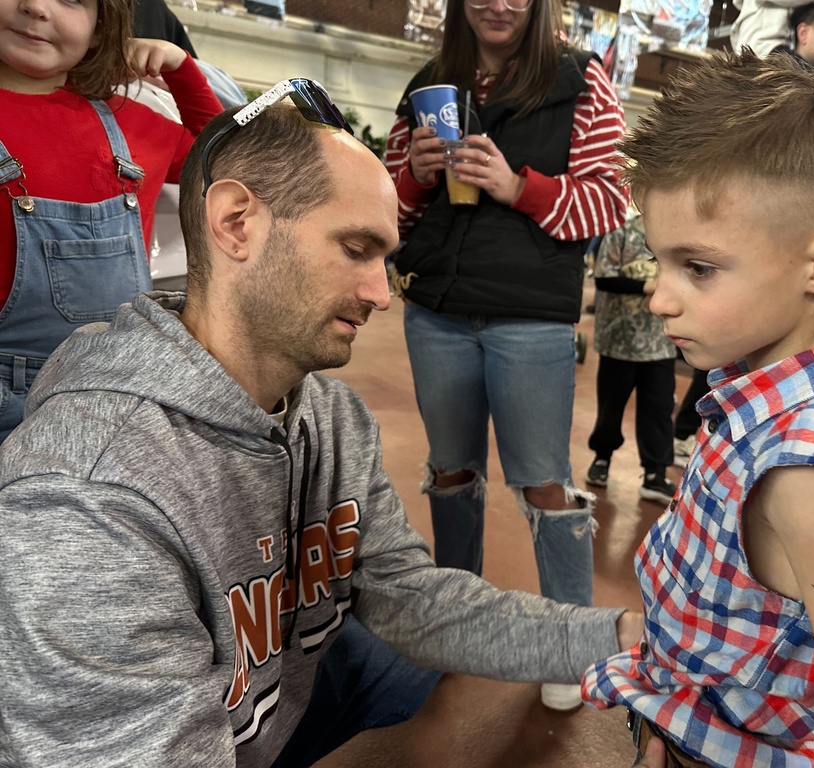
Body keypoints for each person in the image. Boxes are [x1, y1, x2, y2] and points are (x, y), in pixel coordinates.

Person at [0, 88, 642, 767]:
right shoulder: (86, 502)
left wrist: (624, 637)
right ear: (237, 222)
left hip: (276, 692)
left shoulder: (332, 419)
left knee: (453, 683)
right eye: (356, 248)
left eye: (387, 258)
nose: (379, 293)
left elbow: (411, 598)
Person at [581, 52, 814, 767]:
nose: (660, 297)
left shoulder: (807, 471)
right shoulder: (752, 400)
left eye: (699, 267)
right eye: (660, 261)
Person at [384, 0, 628, 710]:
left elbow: (610, 201)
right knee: (451, 472)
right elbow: (388, 209)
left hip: (531, 313)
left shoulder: (582, 79)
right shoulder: (432, 83)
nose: (499, 4)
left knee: (545, 482)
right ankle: (460, 624)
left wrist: (520, 187)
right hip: (438, 310)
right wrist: (414, 178)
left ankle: (571, 642)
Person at [0, 0, 221, 443]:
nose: (36, 7)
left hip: (114, 397)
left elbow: (229, 163)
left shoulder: (137, 124)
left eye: (71, 0)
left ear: (102, 28)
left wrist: (182, 70)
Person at [583, 212, 676, 506]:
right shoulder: (620, 230)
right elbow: (603, 276)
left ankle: (655, 474)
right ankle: (602, 457)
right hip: (619, 341)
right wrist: (645, 286)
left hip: (660, 342)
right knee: (611, 407)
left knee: (659, 409)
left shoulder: (677, 231)